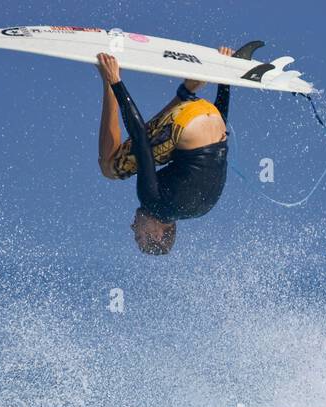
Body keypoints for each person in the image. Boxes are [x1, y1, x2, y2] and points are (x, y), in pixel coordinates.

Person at [95, 42, 261, 254]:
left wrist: (224, 79)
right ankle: (110, 81)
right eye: (138, 234)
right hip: (186, 121)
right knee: (111, 167)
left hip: (213, 118)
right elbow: (141, 141)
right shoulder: (153, 203)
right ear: (157, 233)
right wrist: (115, 81)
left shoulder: (201, 210)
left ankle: (188, 90)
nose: (132, 227)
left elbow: (214, 148)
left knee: (168, 147)